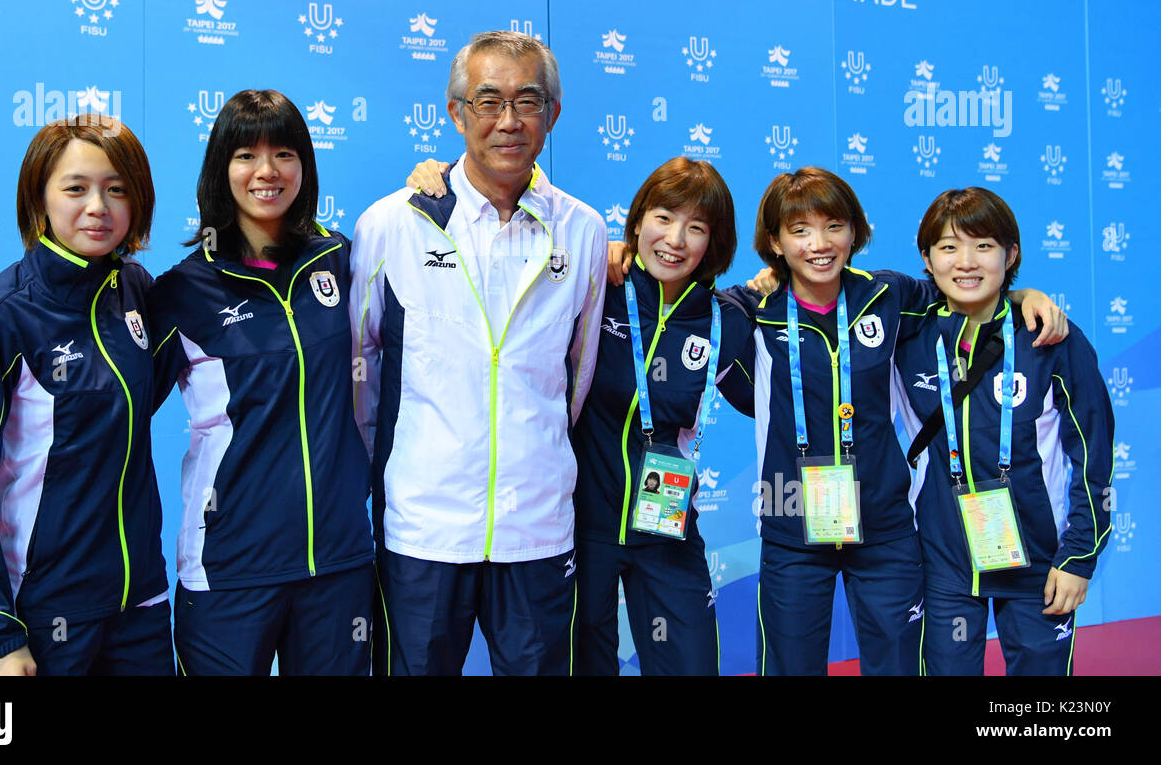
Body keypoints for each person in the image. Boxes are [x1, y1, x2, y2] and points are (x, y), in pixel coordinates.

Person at [406, 155, 755, 676]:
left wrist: (791, 285)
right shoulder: (598, 282)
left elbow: (777, 396)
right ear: (637, 222)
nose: (675, 239)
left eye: (696, 227)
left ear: (715, 243)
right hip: (581, 529)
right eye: (663, 217)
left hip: (670, 530)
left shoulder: (725, 320)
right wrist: (438, 175)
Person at [351, 30, 608, 675]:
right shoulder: (393, 223)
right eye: (488, 100)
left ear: (554, 113)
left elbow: (576, 377)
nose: (509, 121)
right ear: (456, 112)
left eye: (529, 101)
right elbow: (362, 368)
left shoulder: (583, 230)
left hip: (538, 525)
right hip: (424, 523)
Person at [740, 167, 1066, 675]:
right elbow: (677, 306)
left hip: (885, 529)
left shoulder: (889, 295)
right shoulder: (752, 310)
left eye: (833, 226)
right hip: (792, 528)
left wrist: (1026, 296)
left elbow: (964, 286)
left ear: (854, 232)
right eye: (799, 231)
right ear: (776, 243)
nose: (819, 244)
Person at [0, 114, 171, 676]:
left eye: (117, 189)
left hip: (141, 609)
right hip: (42, 620)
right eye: (76, 188)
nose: (98, 206)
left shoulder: (134, 291)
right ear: (39, 199)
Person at [150, 89, 373, 675]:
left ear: (305, 165)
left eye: (284, 153)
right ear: (221, 169)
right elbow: (115, 413)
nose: (267, 171)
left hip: (338, 562)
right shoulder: (181, 292)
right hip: (229, 567)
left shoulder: (342, 260)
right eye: (246, 154)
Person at [894, 187, 1113, 675]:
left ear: (1011, 254)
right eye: (949, 247)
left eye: (984, 246)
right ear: (927, 258)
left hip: (1040, 560)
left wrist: (1079, 555)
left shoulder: (1051, 336)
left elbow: (1092, 452)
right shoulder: (906, 336)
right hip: (943, 562)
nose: (966, 262)